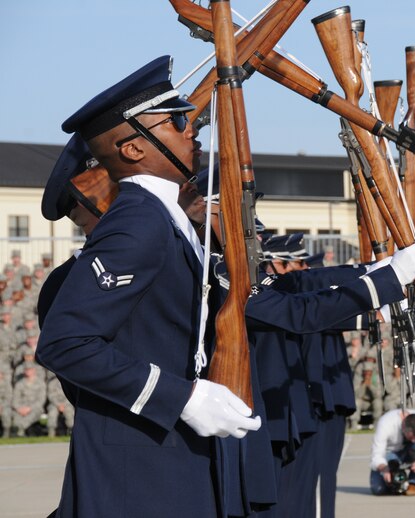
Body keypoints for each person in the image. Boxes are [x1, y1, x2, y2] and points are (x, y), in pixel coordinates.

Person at [37, 56, 261, 517]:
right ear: (134, 150)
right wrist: (183, 397)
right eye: (178, 120)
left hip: (167, 460)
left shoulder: (162, 219)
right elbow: (65, 344)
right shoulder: (138, 222)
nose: (192, 128)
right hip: (140, 475)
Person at [370, 410, 415, 496]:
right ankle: (395, 483)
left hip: (409, 452)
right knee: (378, 489)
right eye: (411, 436)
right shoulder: (386, 423)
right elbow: (376, 455)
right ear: (404, 427)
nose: (414, 440)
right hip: (389, 455)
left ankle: (412, 484)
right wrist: (384, 468)